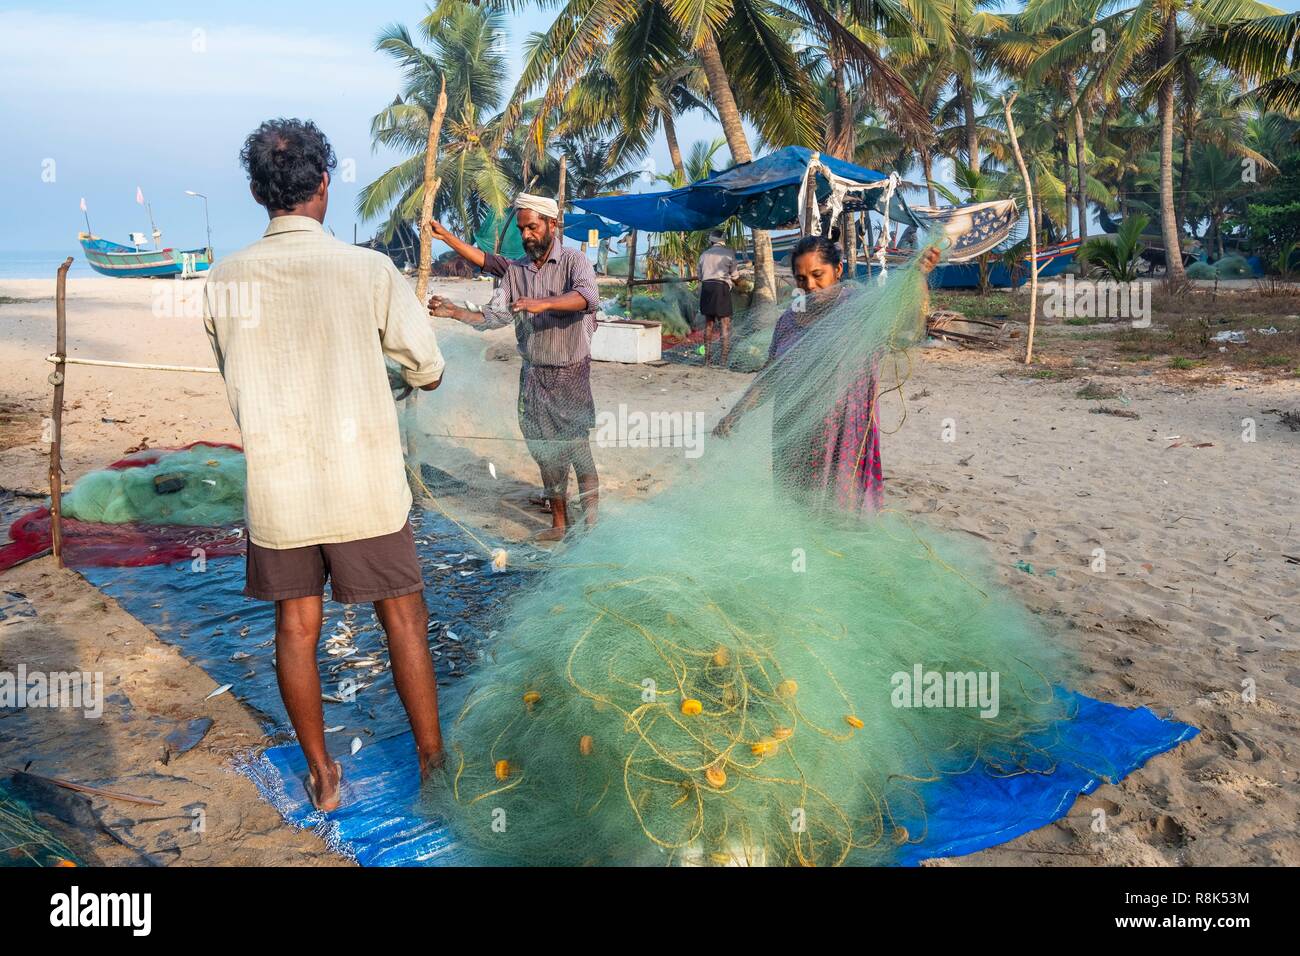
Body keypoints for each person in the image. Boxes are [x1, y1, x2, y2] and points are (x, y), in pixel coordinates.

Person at [202, 118, 448, 812]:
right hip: (363, 486)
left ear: (257, 191)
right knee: (404, 619)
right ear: (325, 183)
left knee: (296, 629)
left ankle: (322, 775)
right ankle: (432, 764)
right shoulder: (368, 270)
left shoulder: (224, 280)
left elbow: (233, 374)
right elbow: (426, 368)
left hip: (282, 491)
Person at [714, 235, 940, 515]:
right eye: (801, 278)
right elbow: (771, 376)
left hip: (843, 436)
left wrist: (919, 277)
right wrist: (736, 413)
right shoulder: (788, 320)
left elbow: (909, 330)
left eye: (818, 275)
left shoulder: (861, 309)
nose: (809, 285)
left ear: (838, 271)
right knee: (797, 514)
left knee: (841, 517)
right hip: (793, 435)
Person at [426, 195, 602, 541]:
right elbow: (495, 315)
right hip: (533, 374)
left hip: (570, 371)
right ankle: (559, 525)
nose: (526, 235)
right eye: (522, 229)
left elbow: (587, 298)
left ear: (552, 225)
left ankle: (592, 523)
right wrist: (456, 312)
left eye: (532, 227)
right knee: (544, 453)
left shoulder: (574, 261)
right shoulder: (516, 271)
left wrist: (544, 303)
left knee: (577, 448)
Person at [697, 230, 738, 367]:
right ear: (723, 241)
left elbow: (700, 276)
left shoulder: (704, 255)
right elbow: (735, 276)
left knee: (709, 324)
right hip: (721, 289)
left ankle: (707, 361)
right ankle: (723, 362)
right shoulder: (729, 253)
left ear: (711, 241)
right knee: (725, 325)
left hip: (707, 289)